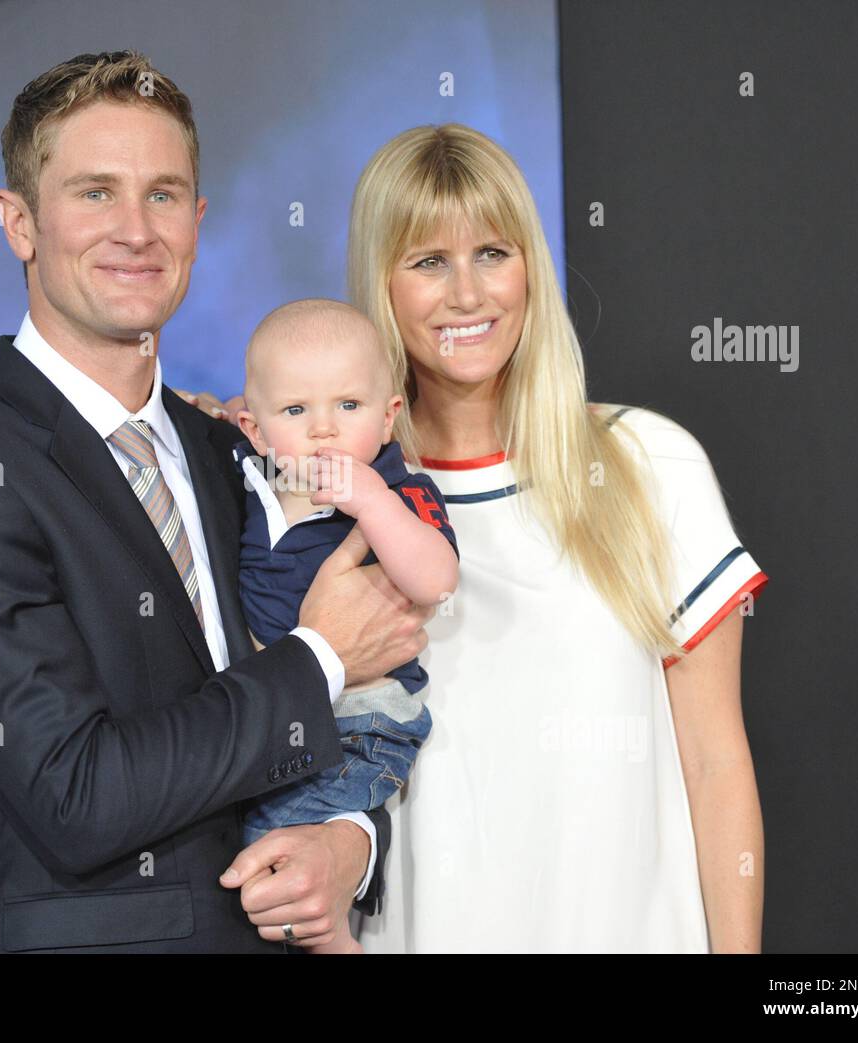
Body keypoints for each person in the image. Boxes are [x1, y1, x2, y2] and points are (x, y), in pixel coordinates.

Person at [0, 51, 433, 953]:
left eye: (163, 195)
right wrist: (321, 653)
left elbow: (360, 723)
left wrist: (348, 843)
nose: (136, 229)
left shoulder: (235, 451)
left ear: (198, 222)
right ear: (19, 222)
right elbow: (75, 792)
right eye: (95, 193)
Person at [181, 123, 769, 953]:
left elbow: (716, 764)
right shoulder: (317, 503)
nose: (466, 294)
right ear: (381, 285)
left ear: (532, 265)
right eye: (427, 261)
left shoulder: (650, 464)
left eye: (492, 252)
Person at [229, 298, 460, 953]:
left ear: (390, 415)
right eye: (297, 411)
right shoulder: (252, 477)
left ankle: (335, 936)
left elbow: (435, 579)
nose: (325, 431)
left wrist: (372, 502)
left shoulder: (398, 488)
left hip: (367, 719)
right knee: (250, 842)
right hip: (279, 722)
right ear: (254, 427)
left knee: (277, 847)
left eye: (349, 407)